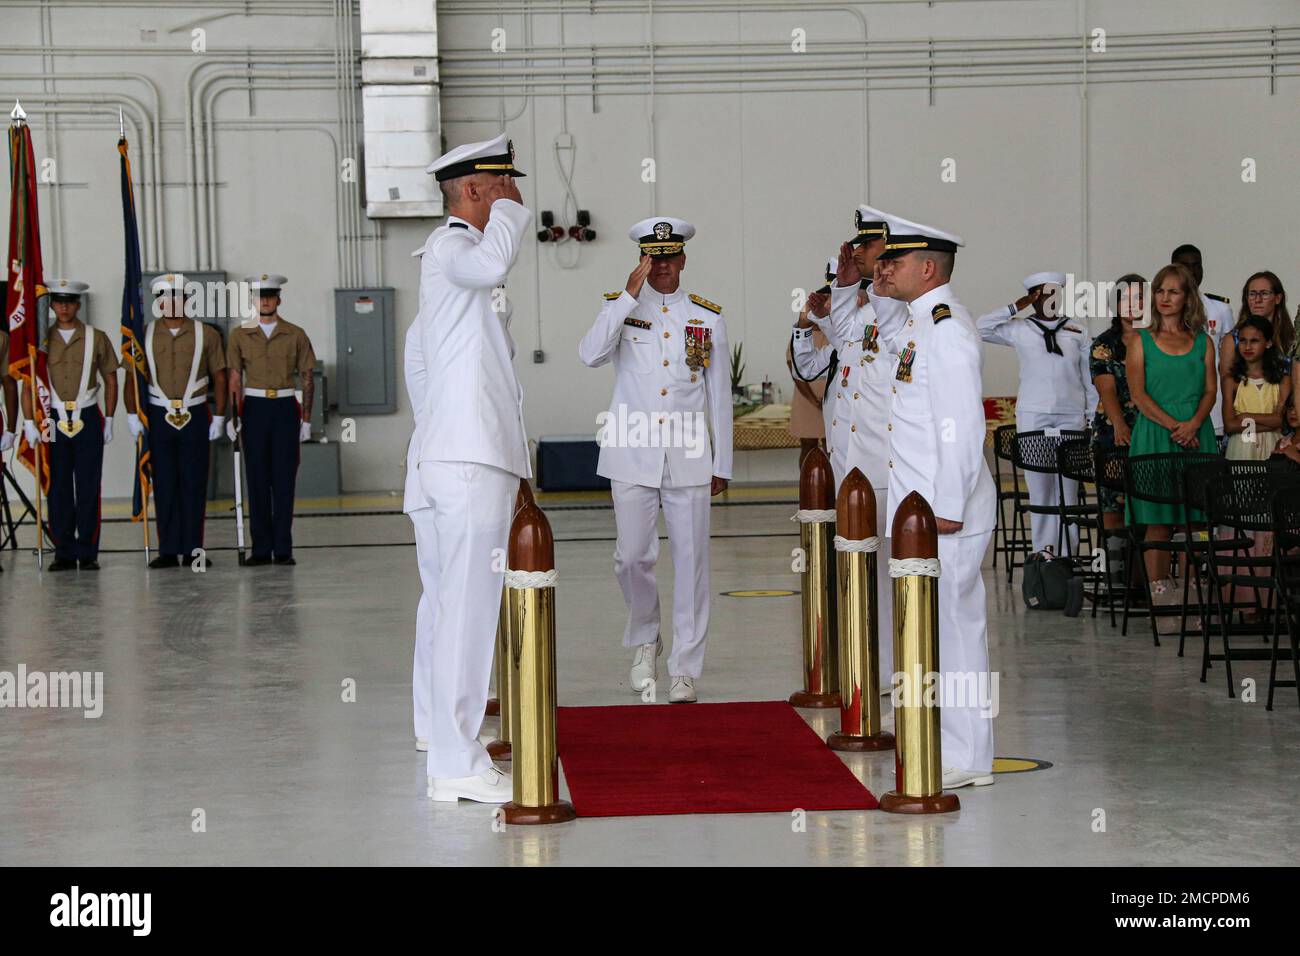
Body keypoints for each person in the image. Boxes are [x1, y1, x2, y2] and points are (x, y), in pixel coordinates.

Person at [409, 132, 531, 803]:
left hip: (478, 457)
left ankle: (458, 745)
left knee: (469, 609)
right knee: (465, 610)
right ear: (475, 190)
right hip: (464, 459)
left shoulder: (463, 260)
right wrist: (511, 214)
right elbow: (490, 265)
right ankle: (453, 763)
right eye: (505, 185)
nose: (515, 196)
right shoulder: (453, 249)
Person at [579, 216, 732, 704]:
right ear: (643, 260)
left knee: (692, 563)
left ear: (683, 259)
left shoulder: (706, 318)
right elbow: (589, 355)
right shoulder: (620, 309)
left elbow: (719, 395)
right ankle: (646, 636)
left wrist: (721, 461)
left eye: (670, 257)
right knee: (631, 557)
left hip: (688, 456)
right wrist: (626, 296)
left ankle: (685, 666)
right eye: (654, 258)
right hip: (630, 452)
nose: (663, 266)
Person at [875, 216, 997, 790]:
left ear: (928, 268)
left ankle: (969, 756)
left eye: (893, 261)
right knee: (932, 630)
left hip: (946, 515)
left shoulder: (947, 331)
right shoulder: (918, 324)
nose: (882, 267)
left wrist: (947, 505)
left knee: (956, 630)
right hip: (921, 516)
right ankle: (941, 738)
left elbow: (962, 427)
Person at [977, 272, 1095, 556]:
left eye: (1054, 292)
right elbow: (981, 328)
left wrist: (1090, 416)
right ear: (1033, 298)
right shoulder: (1020, 328)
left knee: (1067, 489)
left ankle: (1067, 555)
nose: (1049, 299)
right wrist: (1015, 307)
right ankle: (1044, 553)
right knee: (1040, 488)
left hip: (1070, 414)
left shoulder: (1077, 330)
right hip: (1034, 414)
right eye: (1042, 294)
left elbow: (1089, 377)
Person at [1125, 263, 1218, 595]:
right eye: (1161, 290)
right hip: (1155, 434)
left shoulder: (1203, 341)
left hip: (1197, 434)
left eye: (1174, 291)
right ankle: (1160, 593)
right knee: (1158, 520)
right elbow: (1138, 394)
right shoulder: (1140, 340)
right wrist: (1174, 426)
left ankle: (1195, 593)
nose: (1166, 297)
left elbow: (1210, 390)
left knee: (1196, 521)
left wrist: (1192, 425)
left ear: (1187, 297)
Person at [124, 274, 228, 569]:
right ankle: (168, 550)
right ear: (158, 303)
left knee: (194, 484)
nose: (172, 303)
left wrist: (219, 415)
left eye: (178, 297)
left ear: (186, 300)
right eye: (165, 298)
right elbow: (132, 376)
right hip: (158, 415)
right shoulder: (143, 334)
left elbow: (220, 375)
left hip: (195, 413)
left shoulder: (206, 334)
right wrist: (132, 414)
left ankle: (194, 549)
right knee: (166, 483)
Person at [21, 279, 119, 571]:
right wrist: (28, 422)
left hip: (87, 415)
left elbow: (111, 378)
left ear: (78, 305)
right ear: (51, 305)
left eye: (70, 302)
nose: (64, 307)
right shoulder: (38, 341)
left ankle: (88, 552)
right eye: (59, 302)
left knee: (88, 485)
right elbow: (28, 382)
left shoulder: (96, 337)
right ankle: (63, 551)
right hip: (51, 419)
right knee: (58, 485)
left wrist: (111, 417)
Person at [226, 274, 316, 566]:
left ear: (279, 299)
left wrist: (306, 419)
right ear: (253, 300)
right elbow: (235, 377)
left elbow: (307, 378)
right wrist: (233, 414)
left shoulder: (295, 334)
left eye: (270, 295)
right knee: (257, 478)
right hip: (253, 407)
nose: (264, 300)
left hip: (284, 407)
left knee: (284, 479)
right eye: (259, 296)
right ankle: (261, 548)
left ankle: (283, 548)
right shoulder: (240, 334)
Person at [1089, 274, 1145, 529]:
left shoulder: (1158, 340)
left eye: (1139, 298)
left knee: (1148, 508)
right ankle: (1115, 568)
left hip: (1150, 431)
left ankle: (1146, 569)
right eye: (1126, 298)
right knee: (1114, 507)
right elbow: (1106, 389)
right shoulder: (1104, 343)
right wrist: (1120, 425)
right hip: (1114, 431)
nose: (1133, 304)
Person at [1171, 244, 1232, 440]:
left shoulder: (1220, 310)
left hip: (1213, 410)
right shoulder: (1160, 311)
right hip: (1171, 408)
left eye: (1196, 265)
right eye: (1185, 265)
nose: (1191, 271)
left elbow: (1229, 365)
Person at [1218, 272, 1294, 417]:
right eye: (1252, 294)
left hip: (1283, 425)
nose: (1257, 300)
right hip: (1243, 424)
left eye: (1264, 293)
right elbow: (1227, 389)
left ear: (1278, 298)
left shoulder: (1291, 340)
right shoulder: (1232, 339)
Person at [786, 258, 834, 467]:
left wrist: (824, 398)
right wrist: (814, 399)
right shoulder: (803, 333)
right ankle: (808, 486)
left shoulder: (836, 333)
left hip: (831, 398)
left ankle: (831, 487)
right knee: (808, 445)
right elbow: (796, 367)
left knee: (832, 446)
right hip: (807, 399)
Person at [1223, 315, 1290, 462]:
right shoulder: (1231, 380)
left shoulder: (1282, 379)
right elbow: (1230, 425)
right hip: (1242, 448)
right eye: (1242, 341)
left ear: (1268, 343)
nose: (1247, 347)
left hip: (1275, 447)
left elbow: (1282, 421)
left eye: (1254, 341)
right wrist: (1270, 424)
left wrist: (1245, 416)